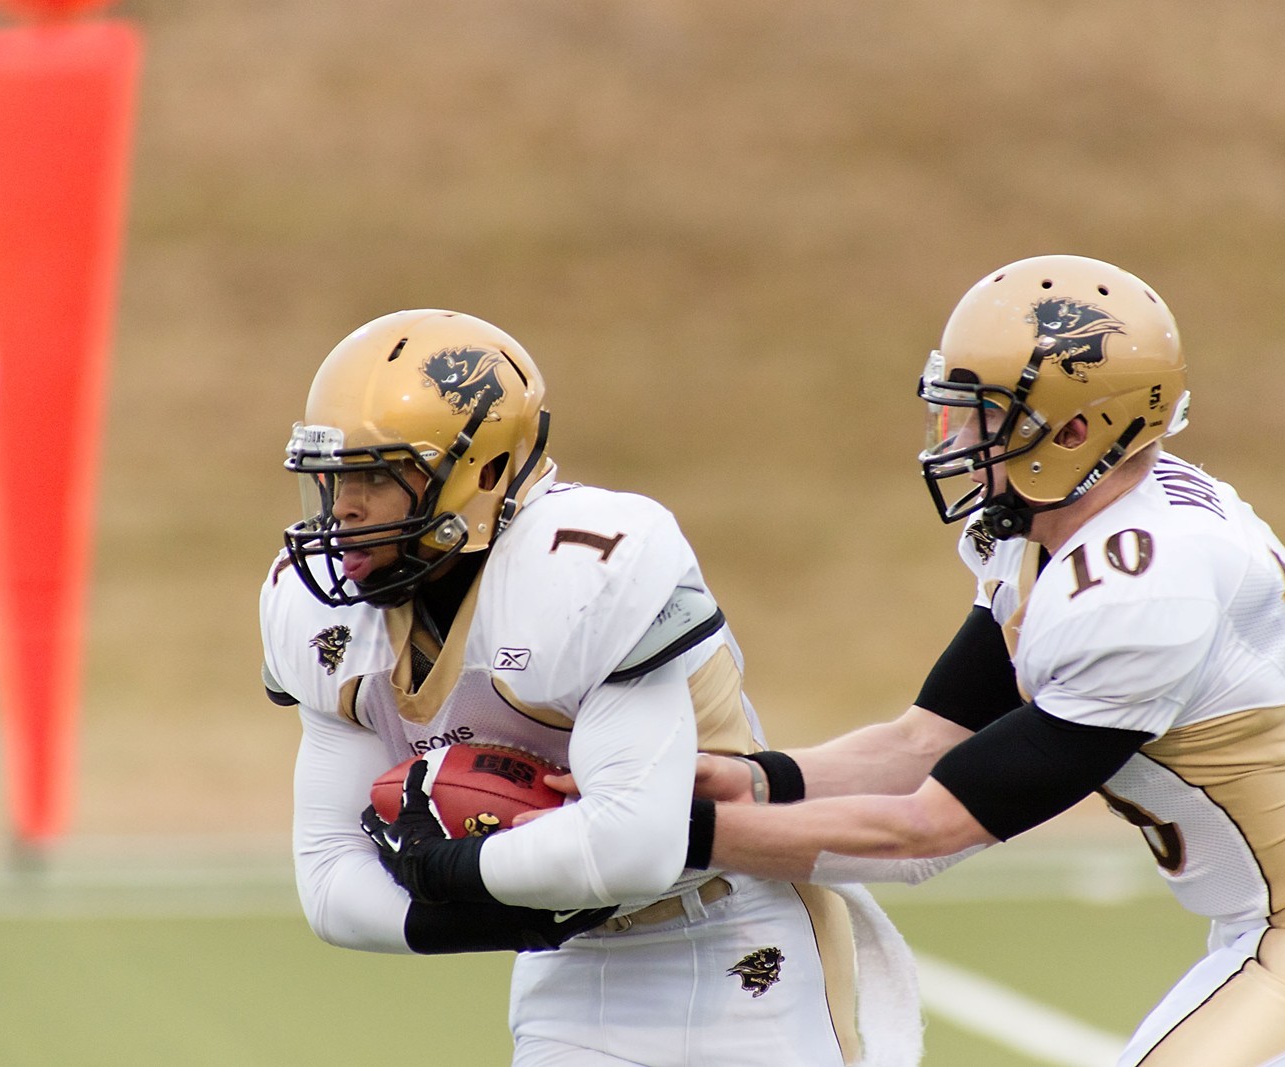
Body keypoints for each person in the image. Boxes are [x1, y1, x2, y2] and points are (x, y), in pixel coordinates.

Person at [684, 255, 1285, 1065]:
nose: (956, 440)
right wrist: (751, 779)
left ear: (1072, 432)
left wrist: (678, 837)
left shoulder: (1137, 587)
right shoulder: (1067, 536)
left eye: (986, 419)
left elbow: (928, 829)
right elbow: (924, 743)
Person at [258, 309, 920, 1067]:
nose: (343, 507)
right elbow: (331, 879)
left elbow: (633, 845)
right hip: (568, 961)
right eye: (336, 476)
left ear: (485, 472)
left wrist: (456, 872)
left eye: (376, 475)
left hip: (735, 934)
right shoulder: (320, 615)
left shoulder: (582, 564)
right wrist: (505, 919)